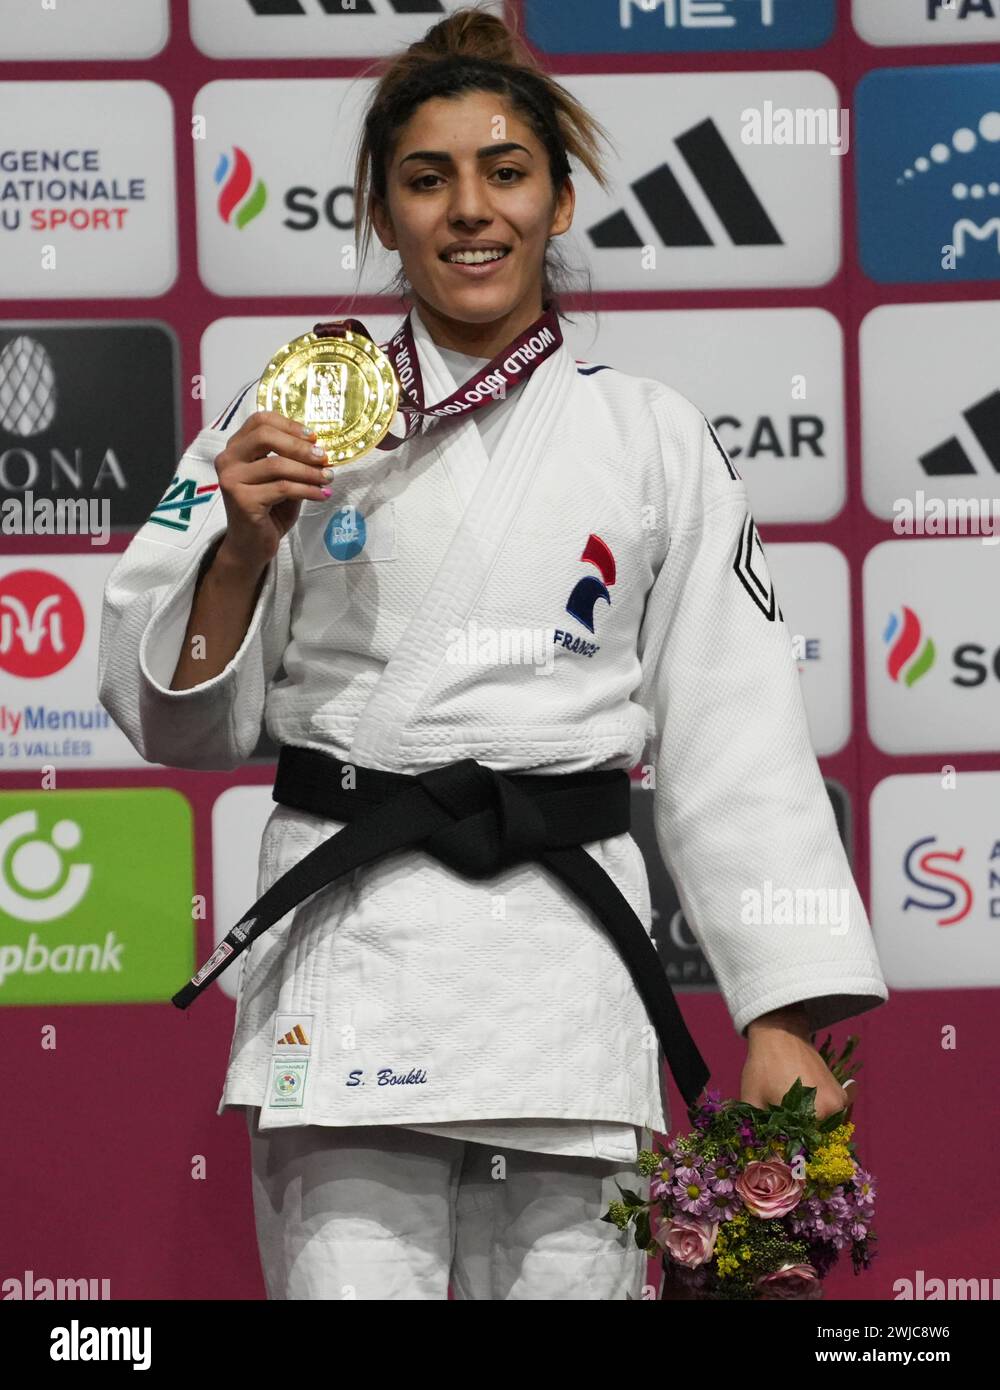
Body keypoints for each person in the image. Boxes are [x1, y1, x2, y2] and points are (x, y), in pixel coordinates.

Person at [97, 6, 888, 1301]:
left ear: (560, 199)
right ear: (378, 208)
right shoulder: (300, 400)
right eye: (427, 179)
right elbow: (172, 716)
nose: (471, 210)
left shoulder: (649, 437)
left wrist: (785, 1010)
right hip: (351, 977)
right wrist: (237, 545)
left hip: (563, 984)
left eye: (505, 172)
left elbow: (737, 731)